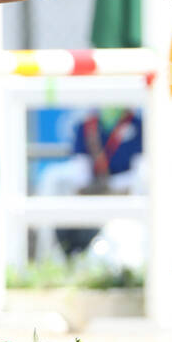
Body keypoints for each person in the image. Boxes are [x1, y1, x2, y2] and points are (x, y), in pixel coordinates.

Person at [34, 107, 143, 258]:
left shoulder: (139, 125)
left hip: (124, 200)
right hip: (90, 200)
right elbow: (80, 173)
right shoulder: (86, 126)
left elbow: (141, 171)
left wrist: (112, 184)